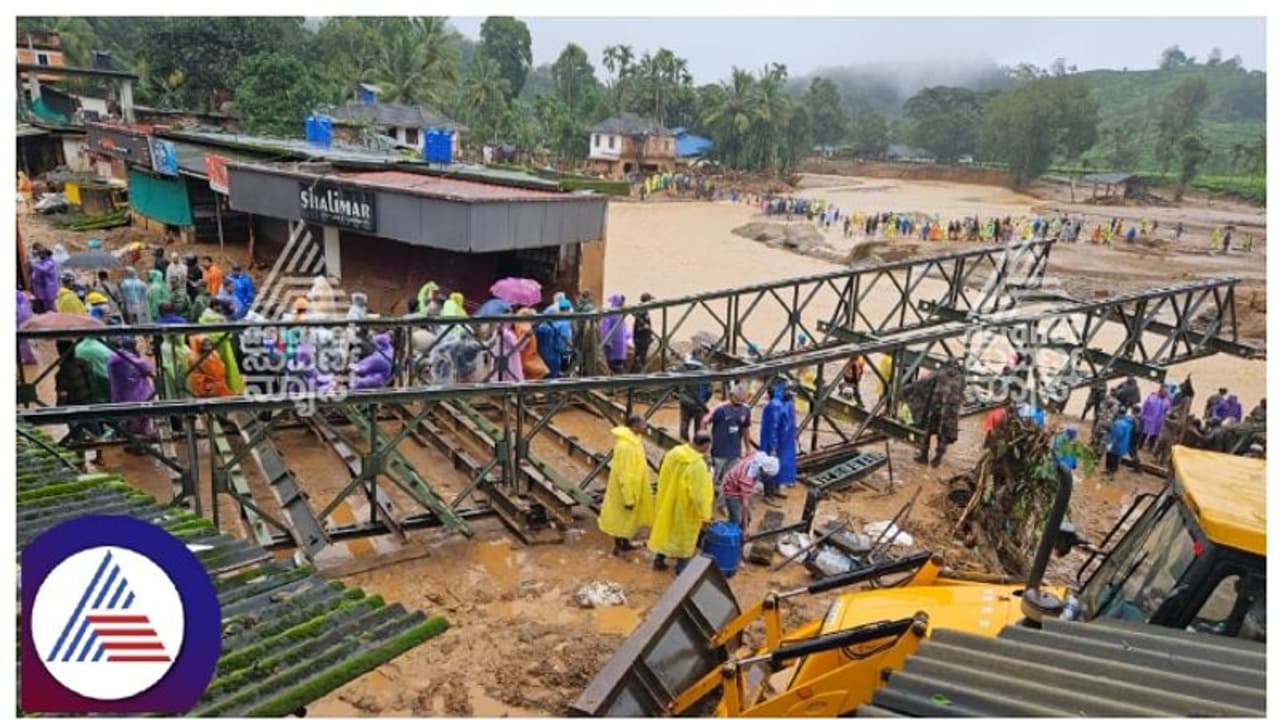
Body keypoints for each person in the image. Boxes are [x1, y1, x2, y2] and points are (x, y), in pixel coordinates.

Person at [648, 433, 715, 573]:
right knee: (684, 540)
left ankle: (659, 560)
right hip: (685, 508)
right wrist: (705, 515)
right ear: (705, 445)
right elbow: (698, 496)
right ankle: (681, 568)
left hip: (667, 501)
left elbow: (662, 472)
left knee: (666, 531)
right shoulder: (698, 466)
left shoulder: (674, 453)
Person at [598, 415, 656, 556]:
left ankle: (625, 543)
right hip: (625, 490)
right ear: (635, 426)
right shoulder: (625, 446)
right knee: (621, 519)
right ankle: (618, 547)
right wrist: (628, 497)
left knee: (628, 519)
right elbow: (624, 474)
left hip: (633, 488)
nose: (646, 426)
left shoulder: (634, 441)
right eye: (643, 424)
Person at [911, 361, 964, 466]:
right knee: (944, 434)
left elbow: (922, 384)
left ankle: (924, 456)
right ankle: (938, 458)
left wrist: (907, 390)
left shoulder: (938, 374)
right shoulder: (961, 378)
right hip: (950, 412)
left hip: (935, 408)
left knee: (927, 431)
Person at [703, 384, 752, 492]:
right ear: (731, 396)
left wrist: (748, 448)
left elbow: (745, 429)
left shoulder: (746, 410)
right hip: (719, 451)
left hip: (734, 451)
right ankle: (708, 497)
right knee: (712, 477)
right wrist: (704, 446)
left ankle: (723, 503)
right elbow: (705, 422)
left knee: (730, 479)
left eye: (741, 402)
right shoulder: (720, 408)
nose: (738, 404)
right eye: (737, 401)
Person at [107, 338, 157, 441]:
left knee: (127, 421)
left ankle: (129, 442)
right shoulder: (134, 360)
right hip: (139, 394)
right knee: (142, 422)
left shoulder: (112, 358)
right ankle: (141, 444)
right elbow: (148, 370)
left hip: (120, 395)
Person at [721, 451, 780, 532]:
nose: (767, 477)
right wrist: (746, 529)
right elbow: (745, 504)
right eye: (767, 474)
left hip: (737, 480)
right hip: (731, 490)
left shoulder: (761, 456)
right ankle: (732, 537)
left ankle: (741, 530)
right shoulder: (748, 478)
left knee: (747, 517)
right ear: (762, 469)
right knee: (736, 520)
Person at [757, 382, 797, 499]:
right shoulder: (775, 405)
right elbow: (772, 428)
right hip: (774, 442)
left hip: (786, 441)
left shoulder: (788, 403)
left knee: (782, 465)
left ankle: (777, 488)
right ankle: (768, 494)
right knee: (770, 465)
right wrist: (773, 446)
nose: (791, 395)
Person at [198, 299, 245, 393]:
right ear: (214, 306)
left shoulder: (204, 317)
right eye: (218, 306)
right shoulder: (218, 318)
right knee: (225, 368)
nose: (220, 308)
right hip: (221, 346)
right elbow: (224, 332)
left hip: (213, 348)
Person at [676, 357, 712, 441]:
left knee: (684, 424)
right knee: (699, 427)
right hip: (699, 404)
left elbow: (673, 382)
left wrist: (681, 395)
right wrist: (704, 401)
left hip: (685, 402)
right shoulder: (704, 370)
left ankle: (684, 444)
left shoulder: (682, 368)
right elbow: (709, 390)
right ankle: (698, 447)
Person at [600, 293, 631, 373]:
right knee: (615, 365)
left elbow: (623, 328)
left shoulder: (616, 313)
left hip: (617, 345)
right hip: (614, 344)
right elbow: (606, 329)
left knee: (616, 365)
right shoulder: (612, 314)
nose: (622, 304)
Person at [576, 290, 602, 376]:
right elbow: (597, 318)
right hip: (589, 334)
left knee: (581, 355)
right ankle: (590, 376)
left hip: (580, 333)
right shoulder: (590, 307)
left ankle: (581, 373)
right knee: (591, 356)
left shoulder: (579, 306)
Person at [1105, 409, 1135, 477]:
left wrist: (1110, 442)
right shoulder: (1129, 423)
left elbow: (1117, 434)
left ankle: (1110, 471)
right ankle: (1112, 472)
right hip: (1123, 445)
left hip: (1116, 444)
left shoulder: (1119, 423)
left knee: (1111, 457)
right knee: (1117, 459)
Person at [631, 293, 654, 373]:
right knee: (641, 357)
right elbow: (641, 326)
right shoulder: (642, 311)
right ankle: (639, 375)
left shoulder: (641, 310)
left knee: (638, 357)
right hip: (642, 339)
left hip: (640, 338)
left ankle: (636, 374)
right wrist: (646, 329)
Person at [16, 291, 37, 364]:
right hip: (22, 317)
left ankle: (29, 359)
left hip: (19, 318)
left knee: (22, 340)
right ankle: (28, 358)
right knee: (22, 340)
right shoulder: (19, 294)